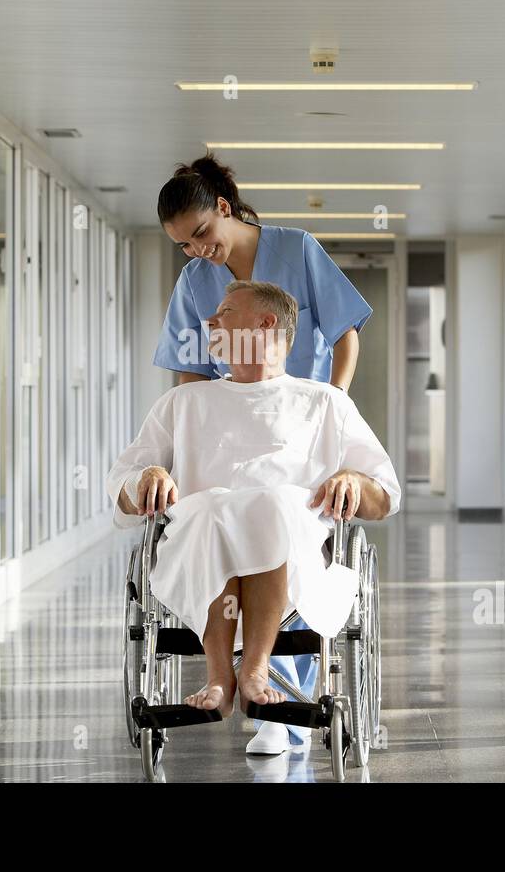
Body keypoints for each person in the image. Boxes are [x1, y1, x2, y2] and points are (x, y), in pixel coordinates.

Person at [152, 153, 374, 755]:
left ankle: (280, 702)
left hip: (301, 433)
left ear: (223, 210)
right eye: (184, 246)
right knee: (226, 520)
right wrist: (190, 439)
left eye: (202, 234)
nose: (198, 251)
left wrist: (332, 403)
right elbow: (190, 369)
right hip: (234, 437)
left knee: (286, 527)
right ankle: (246, 679)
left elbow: (345, 329)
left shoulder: (296, 248)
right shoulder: (196, 281)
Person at [107, 281, 399, 728]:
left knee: (272, 502)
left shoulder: (324, 404)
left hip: (291, 557)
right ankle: (220, 675)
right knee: (212, 508)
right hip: (200, 551)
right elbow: (121, 487)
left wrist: (353, 480)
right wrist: (148, 476)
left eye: (223, 311)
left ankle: (256, 667)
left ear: (265, 323)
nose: (210, 322)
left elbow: (385, 496)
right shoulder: (183, 403)